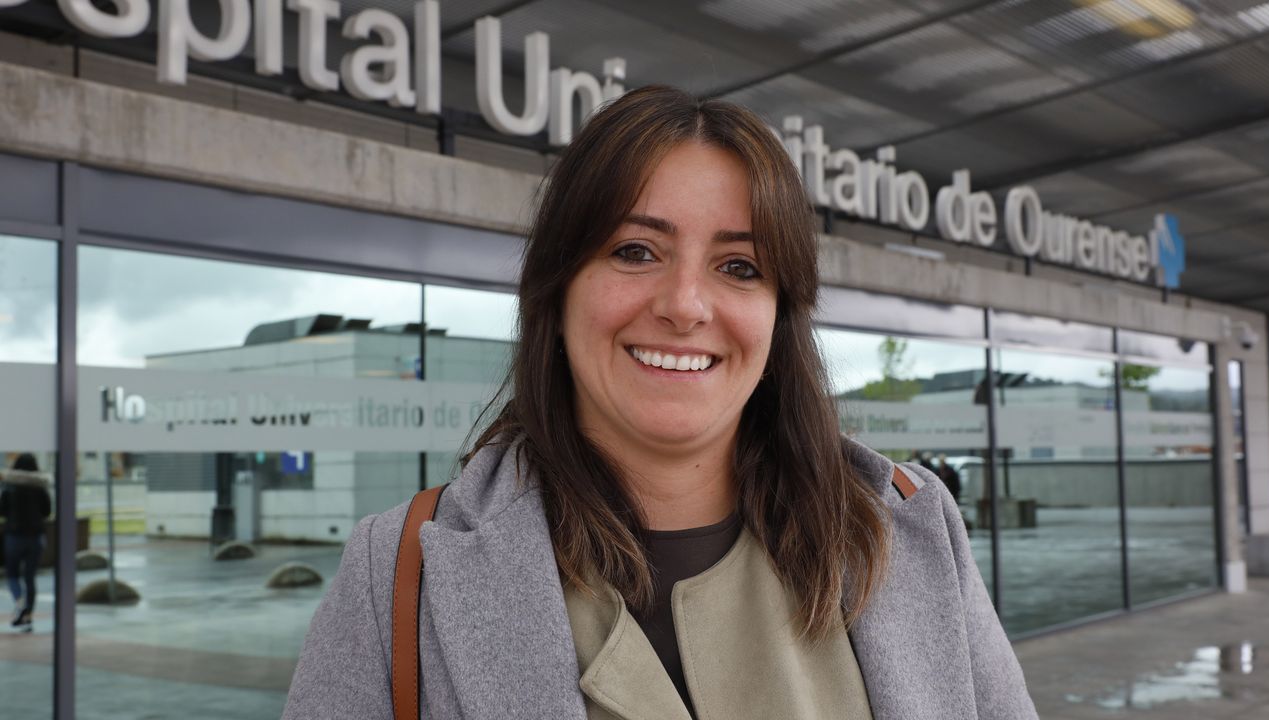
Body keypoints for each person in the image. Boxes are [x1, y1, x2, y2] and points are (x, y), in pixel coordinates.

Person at [284, 86, 1037, 719]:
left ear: (780, 314)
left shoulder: (909, 531)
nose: (685, 305)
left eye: (739, 266)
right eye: (635, 251)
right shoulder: (397, 573)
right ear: (558, 285)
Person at [1, 453, 53, 631]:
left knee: (13, 574)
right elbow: (47, 511)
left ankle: (20, 602)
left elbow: (3, 511)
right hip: (36, 537)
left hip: (14, 536)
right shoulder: (40, 487)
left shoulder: (9, 486)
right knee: (30, 577)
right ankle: (28, 616)